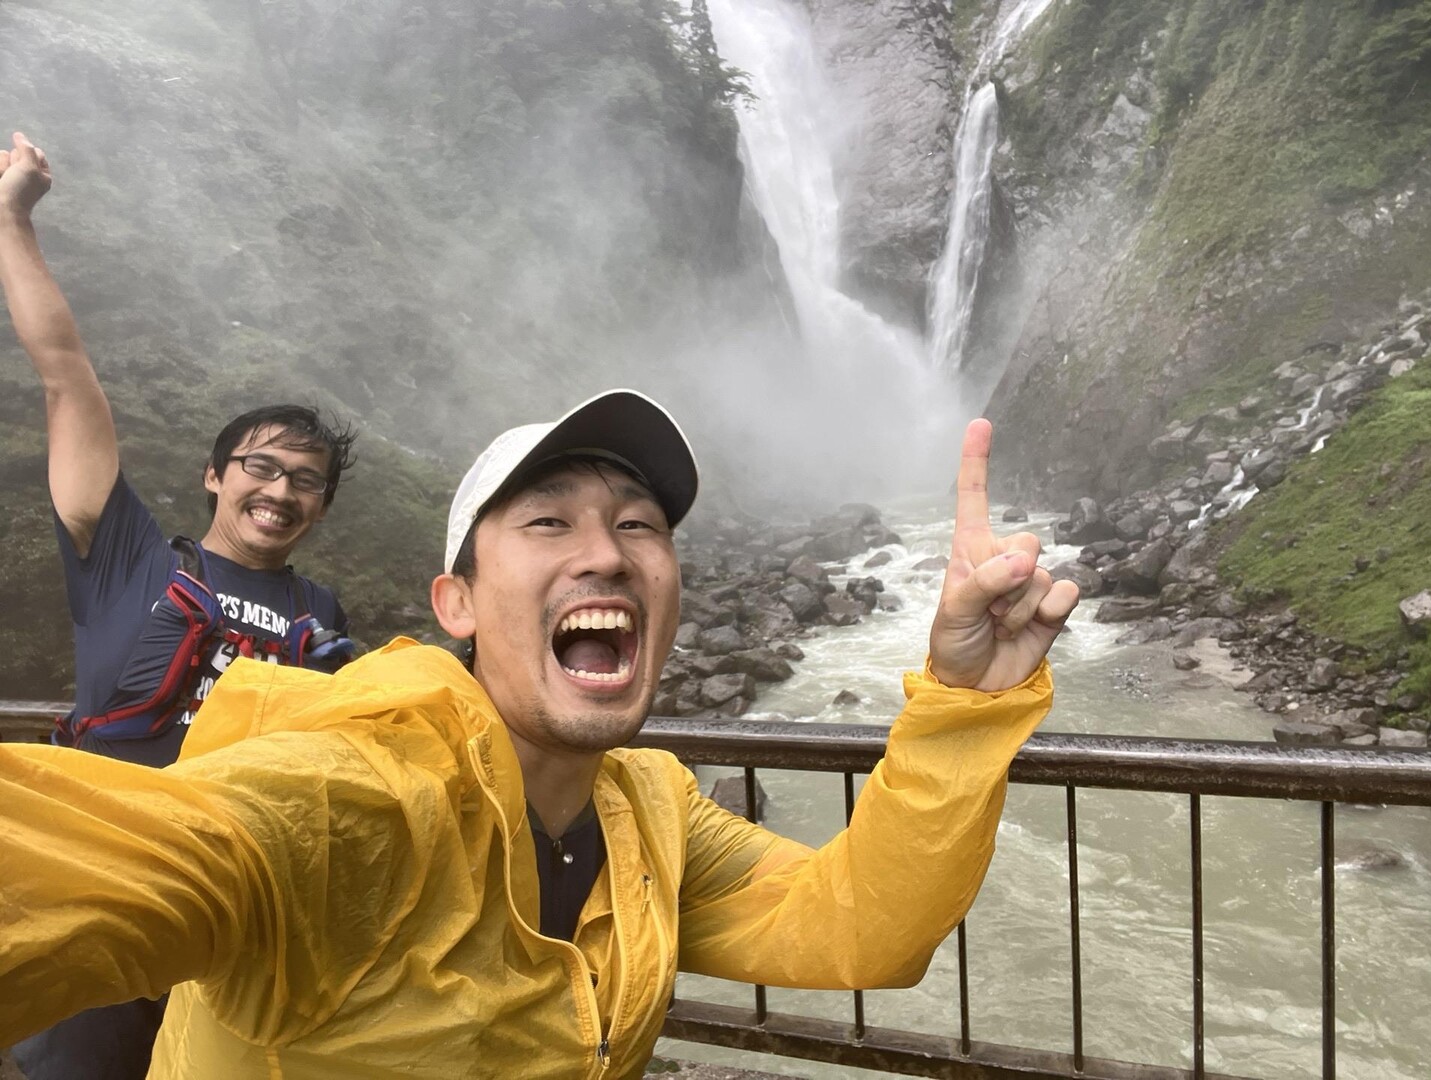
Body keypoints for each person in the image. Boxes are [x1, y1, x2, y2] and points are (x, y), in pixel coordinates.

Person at [0, 387, 1079, 1079]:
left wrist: (960, 706)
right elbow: (101, 861)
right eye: (549, 520)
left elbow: (856, 930)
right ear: (456, 602)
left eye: (640, 525)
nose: (607, 554)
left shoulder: (652, 812)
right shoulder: (346, 799)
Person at [0, 131, 358, 1079]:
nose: (279, 491)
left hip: (241, 924)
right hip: (105, 894)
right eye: (260, 466)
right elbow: (64, 371)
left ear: (322, 506)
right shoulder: (127, 556)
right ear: (215, 475)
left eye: (306, 481)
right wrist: (11, 218)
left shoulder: (324, 611)